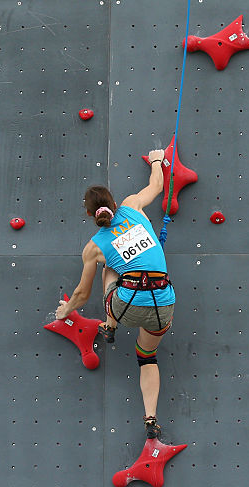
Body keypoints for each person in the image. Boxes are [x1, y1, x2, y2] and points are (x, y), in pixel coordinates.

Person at [55, 148, 175, 440]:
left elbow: (82, 294)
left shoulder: (94, 246)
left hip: (126, 304)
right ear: (115, 202)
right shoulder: (133, 206)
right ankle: (150, 419)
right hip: (163, 301)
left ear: (88, 214)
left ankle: (109, 327)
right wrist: (157, 160)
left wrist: (65, 311)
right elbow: (157, 186)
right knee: (147, 357)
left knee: (110, 269)